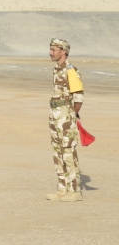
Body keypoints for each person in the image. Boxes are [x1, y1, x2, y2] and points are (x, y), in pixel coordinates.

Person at [47, 39, 85, 202]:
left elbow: (78, 97)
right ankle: (62, 188)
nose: (50, 52)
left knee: (68, 152)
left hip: (65, 115)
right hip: (55, 113)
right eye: (50, 49)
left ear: (63, 51)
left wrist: (71, 115)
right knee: (57, 152)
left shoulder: (71, 70)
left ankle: (74, 190)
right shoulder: (56, 70)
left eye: (54, 49)